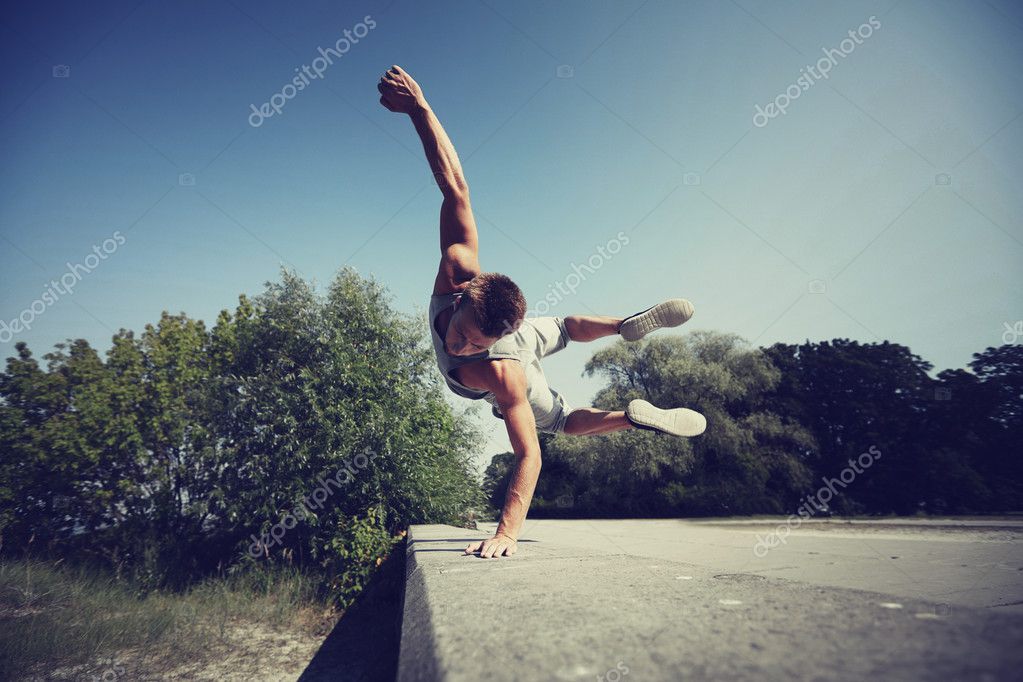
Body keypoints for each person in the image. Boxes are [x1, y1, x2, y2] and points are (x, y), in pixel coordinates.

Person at [377, 65, 706, 559]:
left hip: (519, 356)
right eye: (464, 335)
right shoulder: (456, 268)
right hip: (526, 331)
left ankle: (630, 393)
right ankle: (624, 339)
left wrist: (506, 532)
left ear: (495, 340)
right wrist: (420, 109)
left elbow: (528, 455)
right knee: (567, 328)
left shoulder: (503, 375)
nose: (458, 346)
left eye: (472, 346)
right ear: (464, 293)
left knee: (562, 421)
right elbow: (456, 187)